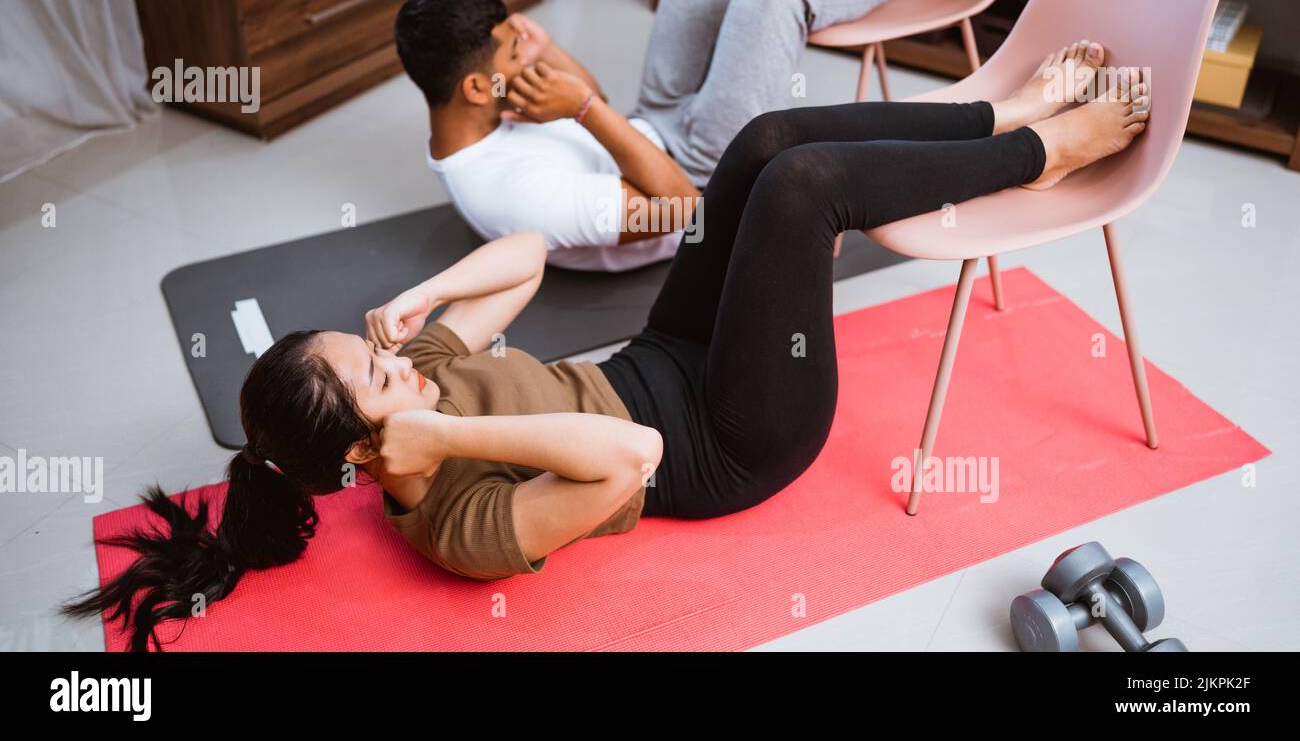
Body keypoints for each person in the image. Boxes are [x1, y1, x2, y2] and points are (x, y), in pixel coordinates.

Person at [62, 41, 1146, 650]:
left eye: (369, 344)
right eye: (376, 373)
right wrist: (442, 424)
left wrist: (425, 294)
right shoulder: (457, 527)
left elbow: (526, 255)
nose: (395, 356)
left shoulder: (414, 377)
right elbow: (637, 461)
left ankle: (992, 112)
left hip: (658, 352)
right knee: (804, 192)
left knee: (760, 149)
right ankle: (1042, 149)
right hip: (731, 437)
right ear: (360, 452)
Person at [395, 0, 997, 271]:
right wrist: (578, 109)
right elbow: (689, 213)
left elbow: (598, 102)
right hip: (707, 170)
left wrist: (548, 56)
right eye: (511, 45)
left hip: (651, 125)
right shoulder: (512, 195)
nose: (524, 44)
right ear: (477, 86)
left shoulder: (482, 113)